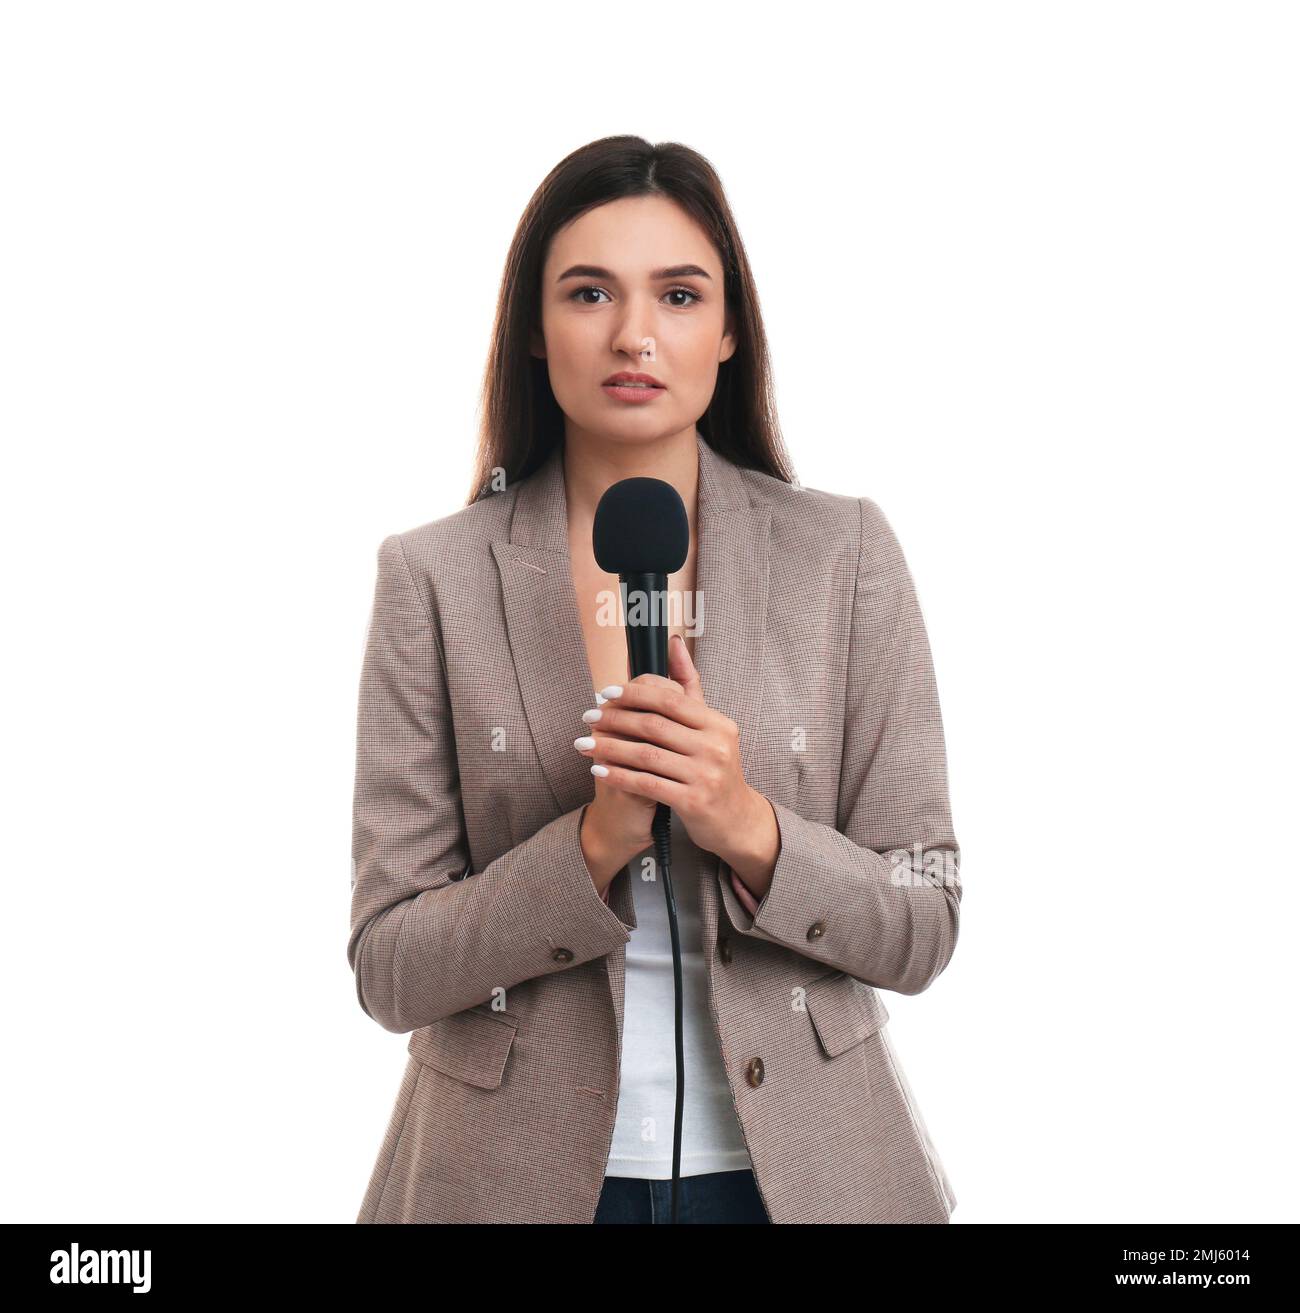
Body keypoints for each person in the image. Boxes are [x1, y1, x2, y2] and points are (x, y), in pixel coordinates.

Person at [348, 135, 962, 1224]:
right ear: (535, 331)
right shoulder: (430, 575)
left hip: (802, 1177)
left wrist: (749, 826)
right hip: (512, 1180)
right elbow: (390, 964)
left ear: (729, 331)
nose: (634, 332)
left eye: (679, 294)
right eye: (588, 292)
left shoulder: (845, 554)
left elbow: (922, 919)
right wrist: (588, 847)